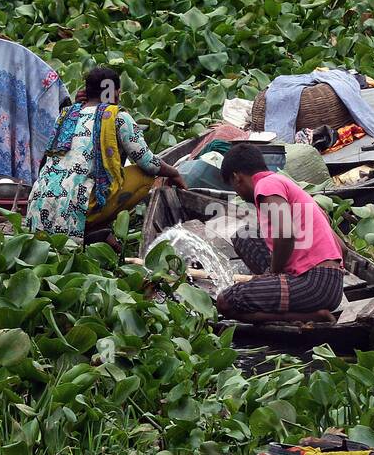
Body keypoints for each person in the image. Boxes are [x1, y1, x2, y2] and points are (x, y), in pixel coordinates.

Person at [25, 66, 185, 240]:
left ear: (86, 91)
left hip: (39, 207)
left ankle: (95, 228)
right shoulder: (118, 116)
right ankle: (93, 228)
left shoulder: (65, 114)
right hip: (76, 211)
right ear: (116, 92)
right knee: (145, 175)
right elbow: (148, 162)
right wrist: (174, 173)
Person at [215, 143, 344, 323]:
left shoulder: (266, 185)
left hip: (314, 286)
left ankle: (311, 316)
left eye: (233, 186)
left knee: (225, 302)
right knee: (244, 237)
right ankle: (278, 286)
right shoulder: (285, 184)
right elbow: (342, 248)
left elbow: (285, 234)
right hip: (332, 287)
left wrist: (273, 274)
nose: (237, 192)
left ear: (237, 177)